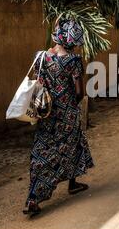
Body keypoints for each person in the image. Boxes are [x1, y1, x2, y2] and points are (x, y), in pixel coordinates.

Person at [23, 18, 94, 216]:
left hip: (45, 113)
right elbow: (80, 91)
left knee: (42, 151)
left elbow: (38, 83)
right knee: (71, 146)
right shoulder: (73, 61)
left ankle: (33, 197)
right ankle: (68, 185)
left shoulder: (41, 57)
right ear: (71, 41)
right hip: (67, 114)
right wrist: (70, 103)